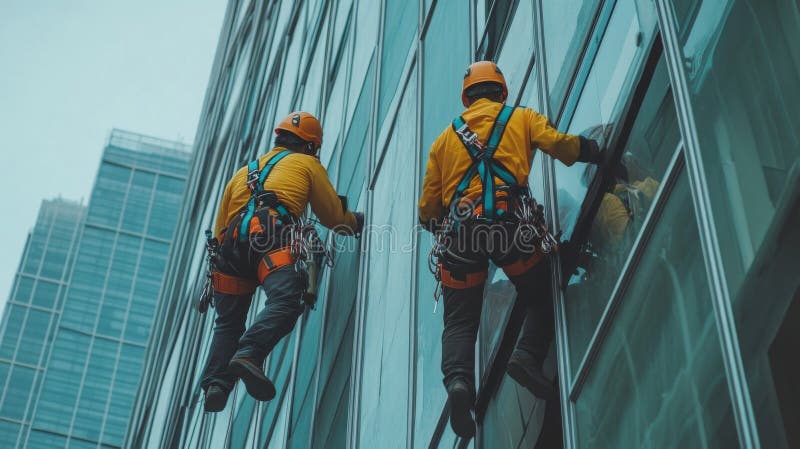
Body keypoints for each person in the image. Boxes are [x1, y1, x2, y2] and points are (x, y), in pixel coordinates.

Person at [418, 61, 603, 438]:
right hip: (509, 228)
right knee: (540, 291)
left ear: (466, 98)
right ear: (501, 92)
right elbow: (561, 146)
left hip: (460, 236)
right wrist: (594, 150)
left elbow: (427, 211)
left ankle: (458, 384)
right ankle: (527, 354)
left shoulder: (442, 142)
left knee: (460, 321)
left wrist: (444, 225)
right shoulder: (521, 118)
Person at [200, 111, 364, 412]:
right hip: (269, 238)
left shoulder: (241, 173)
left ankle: (216, 384)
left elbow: (222, 228)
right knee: (286, 300)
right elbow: (332, 216)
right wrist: (355, 223)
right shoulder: (307, 164)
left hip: (231, 251)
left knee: (227, 323)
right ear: (311, 146)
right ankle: (249, 352)